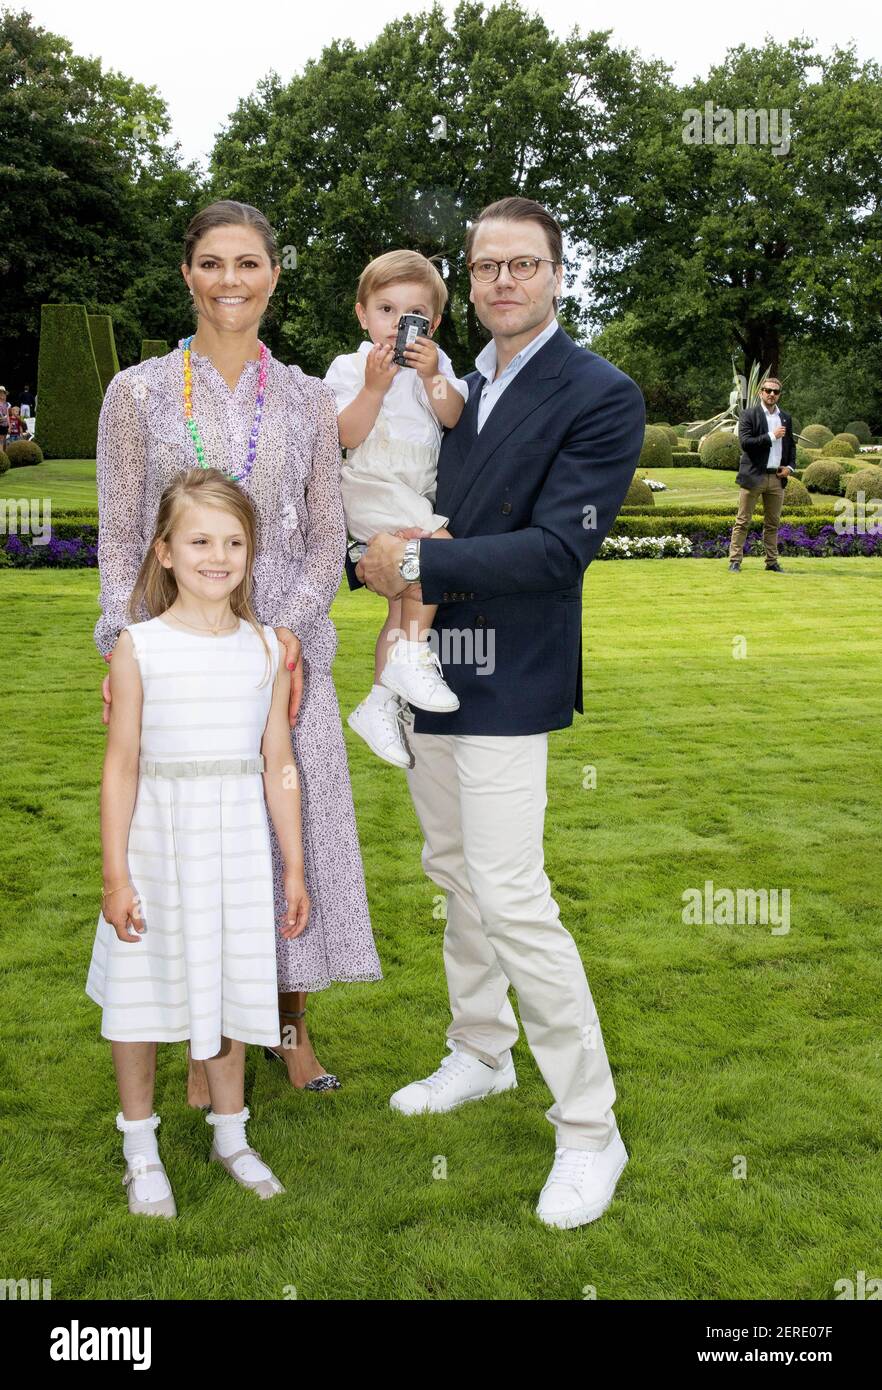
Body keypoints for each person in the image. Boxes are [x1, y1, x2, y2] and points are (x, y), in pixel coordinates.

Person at [356, 196, 645, 1229]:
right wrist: (371, 556)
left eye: (525, 264)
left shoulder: (600, 393)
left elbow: (558, 551)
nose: (504, 282)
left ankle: (590, 1128)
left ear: (559, 274)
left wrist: (415, 560)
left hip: (511, 677)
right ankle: (480, 1050)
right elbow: (387, 491)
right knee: (453, 874)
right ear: (467, 280)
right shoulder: (451, 382)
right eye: (487, 267)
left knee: (513, 891)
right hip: (428, 665)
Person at [95, 200, 381, 1104]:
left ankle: (290, 1029)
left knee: (281, 841)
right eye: (212, 263)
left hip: (283, 658)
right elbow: (118, 538)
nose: (230, 281)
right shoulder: (135, 393)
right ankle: (198, 1035)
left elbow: (323, 531)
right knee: (187, 845)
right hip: (175, 658)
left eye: (248, 263)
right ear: (187, 274)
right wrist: (121, 648)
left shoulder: (305, 398)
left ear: (273, 275)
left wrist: (283, 639)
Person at [86, 468, 309, 1216]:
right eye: (201, 540)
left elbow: (279, 762)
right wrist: (116, 875)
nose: (220, 555)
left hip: (237, 845)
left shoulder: (265, 650)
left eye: (235, 541)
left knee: (232, 979)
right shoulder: (138, 647)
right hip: (157, 843)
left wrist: (296, 865)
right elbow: (119, 766)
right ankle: (139, 1146)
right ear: (166, 552)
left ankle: (231, 1134)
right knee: (143, 992)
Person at [324, 251, 468, 768]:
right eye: (385, 309)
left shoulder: (438, 364)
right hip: (368, 485)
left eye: (413, 315)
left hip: (413, 496)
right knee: (443, 555)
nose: (397, 324)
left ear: (431, 323)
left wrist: (432, 377)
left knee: (404, 598)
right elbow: (344, 435)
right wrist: (374, 387)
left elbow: (453, 415)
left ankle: (380, 702)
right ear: (363, 315)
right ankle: (412, 658)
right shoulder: (349, 366)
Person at [728, 376, 796, 572]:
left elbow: (791, 446)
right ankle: (735, 561)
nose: (771, 394)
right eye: (768, 390)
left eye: (775, 392)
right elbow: (746, 443)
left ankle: (772, 562)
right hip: (753, 476)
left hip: (776, 477)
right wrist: (772, 436)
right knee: (743, 521)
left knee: (773, 523)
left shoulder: (785, 418)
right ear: (761, 392)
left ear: (779, 395)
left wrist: (789, 468)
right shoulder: (749, 415)